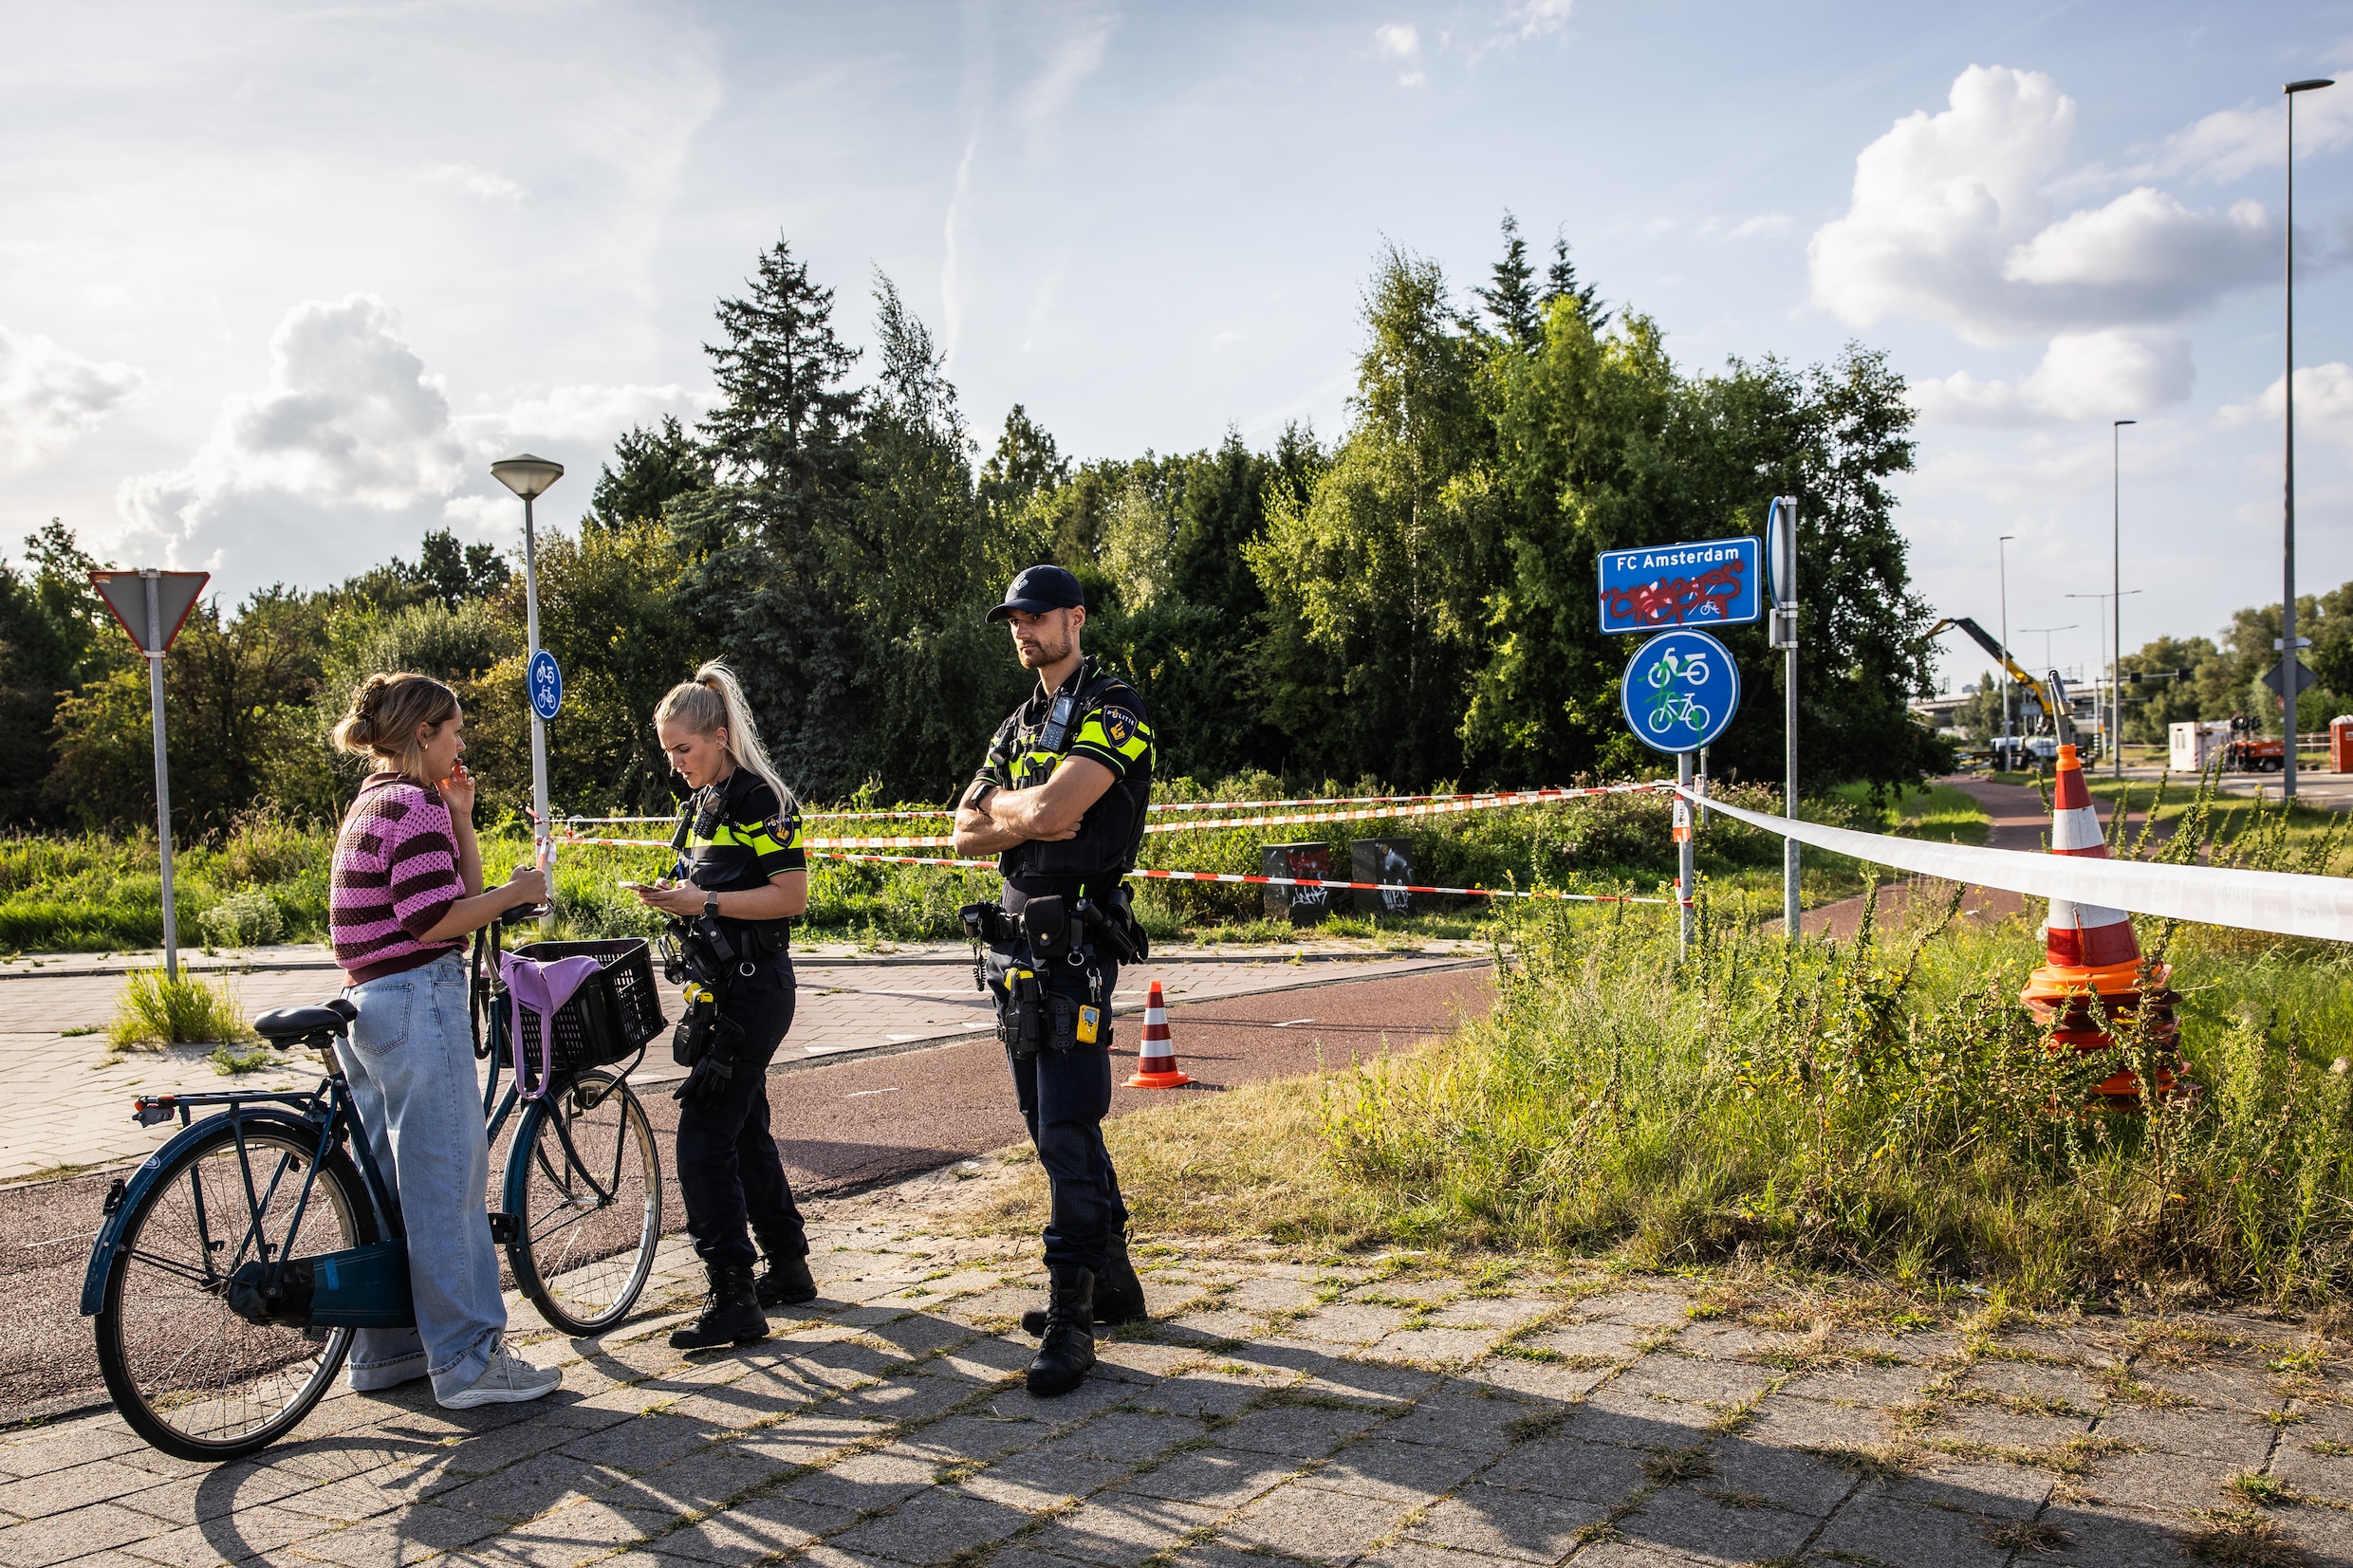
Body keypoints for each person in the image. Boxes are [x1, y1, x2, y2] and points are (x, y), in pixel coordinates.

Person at [327, 673, 562, 1409]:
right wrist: (519, 893)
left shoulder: (374, 801)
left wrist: (462, 816)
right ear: (423, 733)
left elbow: (453, 894)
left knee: (384, 1185)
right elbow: (436, 920)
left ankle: (390, 1352)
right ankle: (467, 1361)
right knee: (446, 1184)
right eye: (454, 728)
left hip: (366, 1005)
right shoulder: (411, 804)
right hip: (417, 999)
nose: (462, 742)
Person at [953, 564, 1156, 1397]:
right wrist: (1022, 811)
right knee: (1046, 1125)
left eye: (1036, 616)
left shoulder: (1114, 706)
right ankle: (1114, 1282)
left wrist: (1009, 808)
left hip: (1072, 948)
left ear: (1077, 617)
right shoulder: (1021, 721)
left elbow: (1051, 811)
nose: (1023, 630)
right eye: (1014, 619)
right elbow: (964, 832)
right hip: (1014, 957)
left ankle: (1072, 1316)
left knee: (1068, 1127)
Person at [630, 662, 816, 1350]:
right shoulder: (704, 801)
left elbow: (791, 896)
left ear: (720, 736)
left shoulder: (758, 798)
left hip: (754, 991)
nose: (675, 764)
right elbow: (706, 883)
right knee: (743, 1132)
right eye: (667, 752)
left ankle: (733, 1292)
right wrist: (673, 894)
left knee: (703, 1140)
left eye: (683, 748)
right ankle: (788, 1266)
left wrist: (702, 900)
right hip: (722, 990)